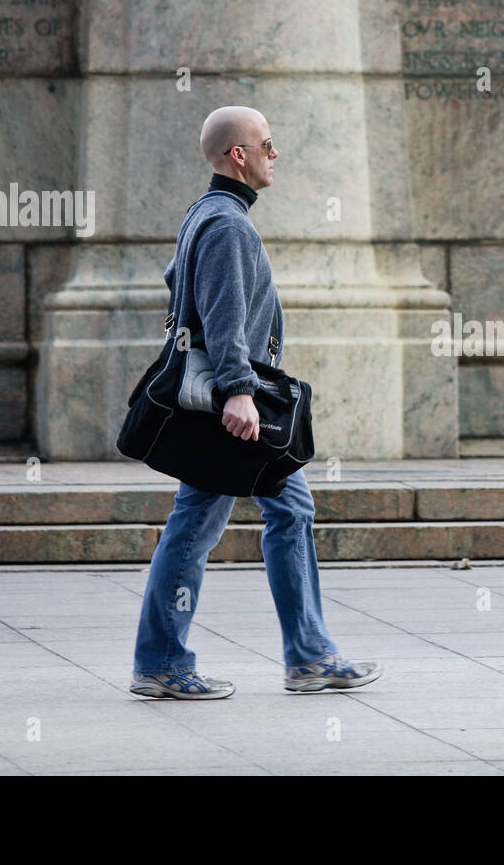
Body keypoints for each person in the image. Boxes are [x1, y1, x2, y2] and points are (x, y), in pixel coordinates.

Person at [130, 105, 381, 699]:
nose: (276, 153)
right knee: (195, 527)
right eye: (266, 144)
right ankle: (164, 662)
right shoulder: (227, 225)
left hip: (229, 403)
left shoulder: (206, 214)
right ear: (237, 155)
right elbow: (222, 318)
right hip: (232, 409)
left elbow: (177, 281)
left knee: (286, 511)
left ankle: (310, 657)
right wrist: (239, 391)